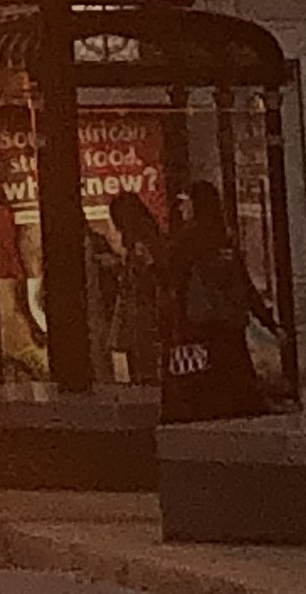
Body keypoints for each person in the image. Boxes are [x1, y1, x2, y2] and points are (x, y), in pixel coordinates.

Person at [163, 180, 280, 422]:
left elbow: (170, 279)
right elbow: (245, 286)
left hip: (196, 325)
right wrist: (268, 322)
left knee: (196, 381)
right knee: (234, 378)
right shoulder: (222, 237)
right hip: (228, 325)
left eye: (185, 202)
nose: (181, 208)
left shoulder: (187, 239)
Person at [108, 192, 165, 386]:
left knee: (142, 356)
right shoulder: (149, 238)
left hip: (142, 309)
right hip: (144, 309)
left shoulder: (139, 244)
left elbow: (146, 275)